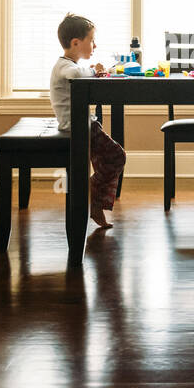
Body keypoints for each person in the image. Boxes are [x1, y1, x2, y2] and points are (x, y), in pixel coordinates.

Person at [50, 13, 126, 229]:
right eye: (91, 40)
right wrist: (95, 70)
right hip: (78, 127)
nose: (95, 45)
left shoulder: (67, 65)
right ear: (76, 43)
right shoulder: (65, 66)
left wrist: (94, 72)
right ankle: (92, 191)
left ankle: (93, 197)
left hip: (85, 125)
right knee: (116, 156)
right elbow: (75, 74)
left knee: (109, 158)